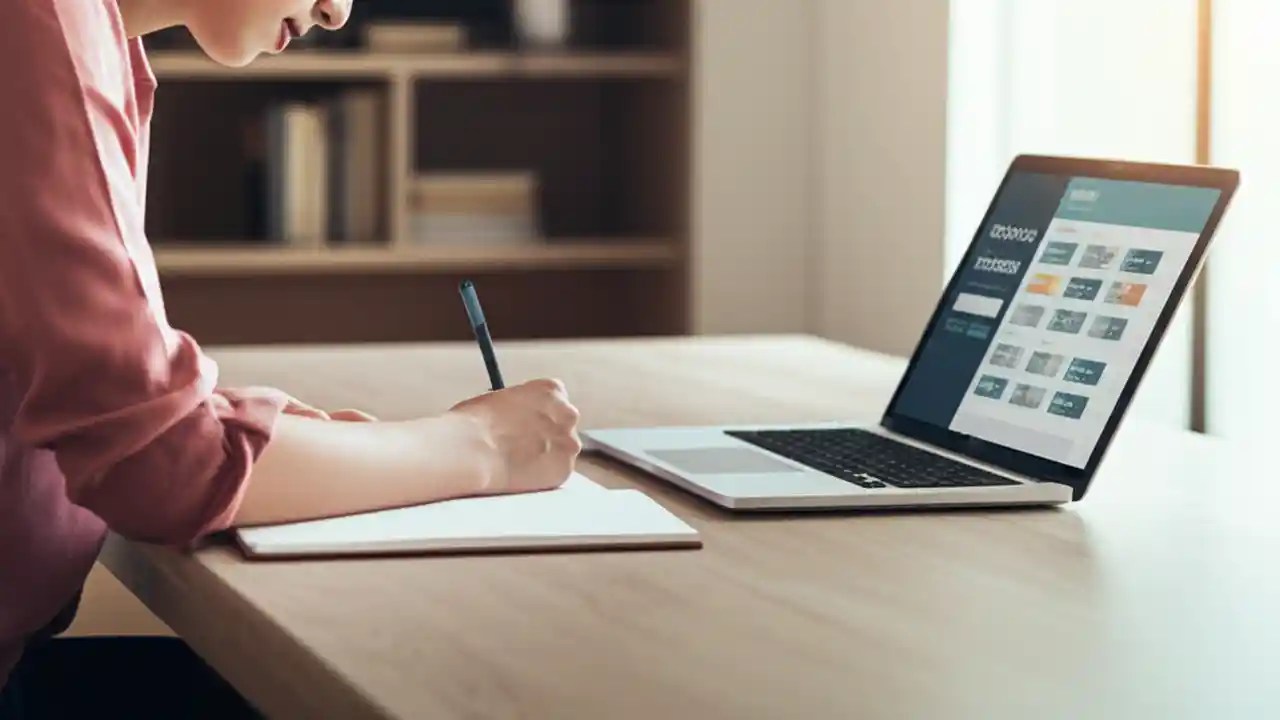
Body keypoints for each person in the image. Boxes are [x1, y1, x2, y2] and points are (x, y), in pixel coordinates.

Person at [0, 0, 582, 716]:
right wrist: (481, 446)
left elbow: (65, 372)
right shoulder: (36, 26)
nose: (337, 10)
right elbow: (158, 467)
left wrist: (260, 434)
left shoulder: (95, 41)